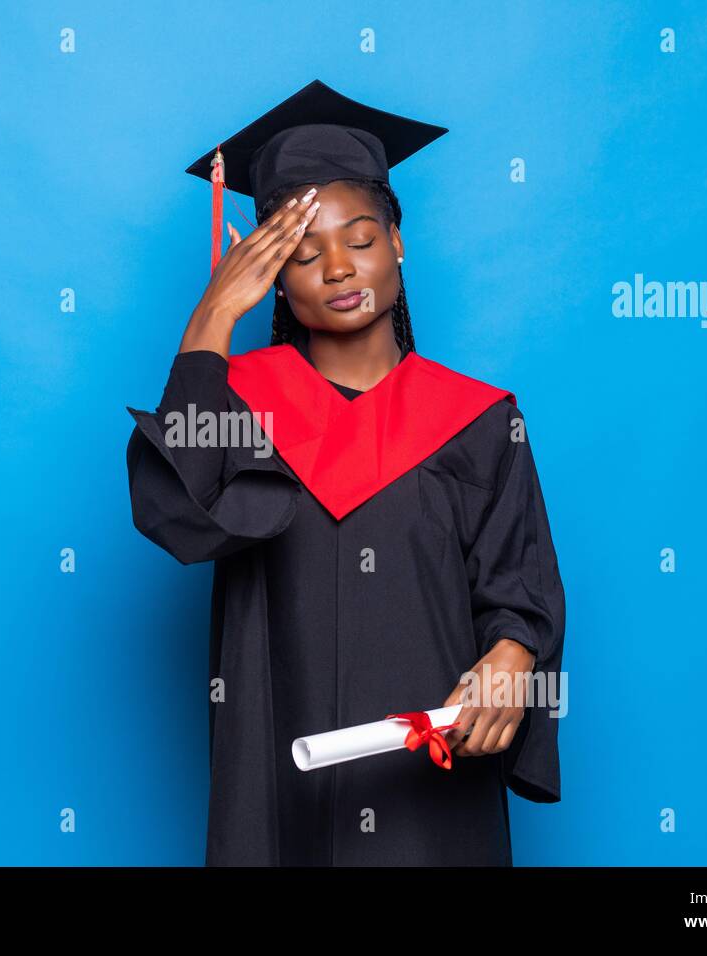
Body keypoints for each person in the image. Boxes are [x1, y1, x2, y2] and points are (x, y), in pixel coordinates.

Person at [124, 80, 566, 866]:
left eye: (360, 238)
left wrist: (514, 658)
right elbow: (177, 518)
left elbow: (517, 589)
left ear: (399, 241)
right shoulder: (239, 407)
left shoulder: (481, 420)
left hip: (430, 773)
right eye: (301, 253)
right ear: (273, 278)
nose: (337, 267)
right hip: (274, 764)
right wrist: (211, 322)